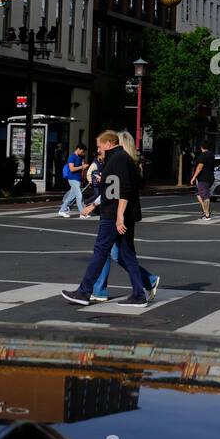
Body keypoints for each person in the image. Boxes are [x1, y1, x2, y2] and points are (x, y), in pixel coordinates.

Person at [62, 130, 156, 308]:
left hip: (113, 214)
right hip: (114, 212)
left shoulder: (118, 159)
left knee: (101, 251)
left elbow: (123, 189)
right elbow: (112, 190)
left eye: (99, 146)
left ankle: (84, 291)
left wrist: (119, 216)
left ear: (108, 143)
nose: (98, 150)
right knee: (126, 254)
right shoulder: (118, 158)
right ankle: (138, 294)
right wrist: (94, 205)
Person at [58, 145, 87, 217]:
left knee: (70, 197)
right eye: (82, 151)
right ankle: (82, 213)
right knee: (79, 196)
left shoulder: (80, 158)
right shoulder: (72, 157)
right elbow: (72, 169)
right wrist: (82, 167)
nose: (83, 153)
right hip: (72, 179)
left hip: (78, 179)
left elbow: (80, 170)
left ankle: (61, 210)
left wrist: (83, 170)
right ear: (78, 149)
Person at [189, 141, 214, 219]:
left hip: (203, 178)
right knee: (198, 194)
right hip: (210, 177)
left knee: (205, 196)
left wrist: (193, 177)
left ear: (201, 147)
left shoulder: (202, 155)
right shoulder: (212, 155)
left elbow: (200, 167)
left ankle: (207, 215)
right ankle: (205, 211)